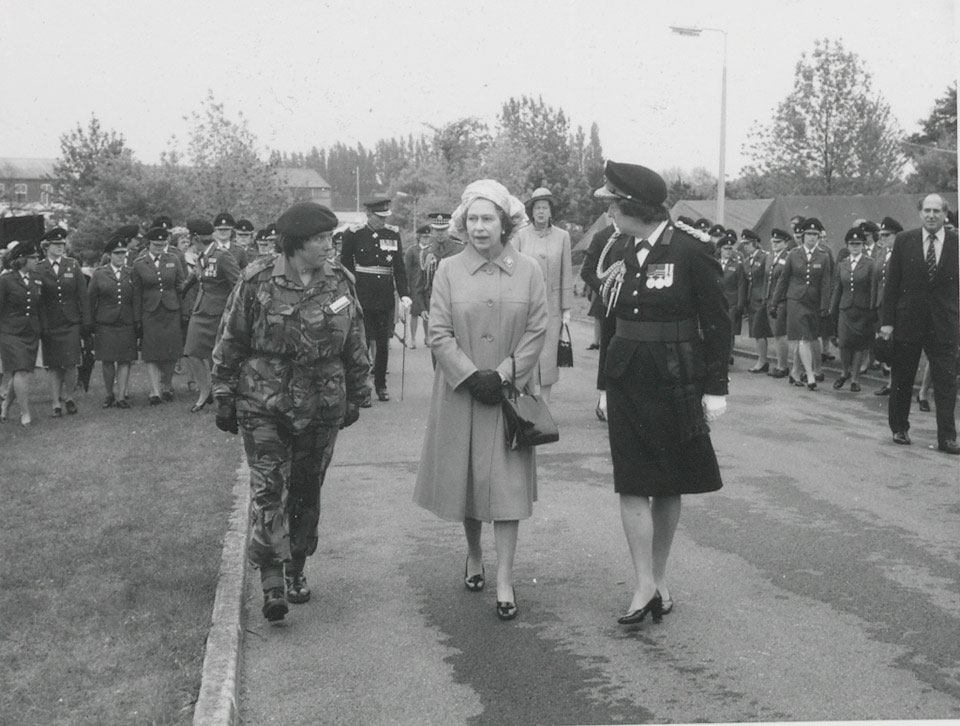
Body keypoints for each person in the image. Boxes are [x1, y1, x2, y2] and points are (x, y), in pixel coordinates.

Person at [211, 201, 370, 622]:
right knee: (268, 490)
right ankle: (271, 581)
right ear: (296, 244)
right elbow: (231, 338)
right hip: (264, 401)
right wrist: (224, 393)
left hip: (322, 400)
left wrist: (358, 392)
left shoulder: (340, 280)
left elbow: (355, 337)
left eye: (330, 238)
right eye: (320, 240)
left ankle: (297, 567)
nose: (328, 246)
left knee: (305, 489)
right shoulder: (257, 279)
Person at [590, 161, 728, 625]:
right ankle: (643, 584)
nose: (609, 211)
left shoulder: (691, 250)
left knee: (669, 483)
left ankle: (660, 577)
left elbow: (719, 323)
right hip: (627, 377)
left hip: (676, 379)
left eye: (613, 202)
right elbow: (609, 322)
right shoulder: (617, 250)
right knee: (631, 480)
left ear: (634, 206)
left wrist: (716, 389)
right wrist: (604, 385)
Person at [414, 179, 547, 621]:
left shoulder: (529, 269)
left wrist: (506, 373)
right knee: (467, 482)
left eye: (488, 218)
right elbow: (438, 332)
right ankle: (474, 554)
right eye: (472, 218)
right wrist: (471, 376)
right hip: (462, 395)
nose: (479, 227)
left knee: (506, 488)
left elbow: (537, 328)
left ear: (506, 223)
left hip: (509, 396)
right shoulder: (449, 270)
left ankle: (506, 579)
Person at [880, 194, 959, 454]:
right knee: (902, 378)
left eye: (937, 211)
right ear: (920, 213)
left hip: (944, 325)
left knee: (946, 385)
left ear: (945, 214)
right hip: (908, 323)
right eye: (927, 210)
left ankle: (947, 438)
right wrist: (887, 323)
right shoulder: (905, 241)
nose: (932, 215)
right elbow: (891, 285)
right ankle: (899, 428)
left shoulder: (957, 243)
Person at [339, 197, 412, 403]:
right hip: (362, 293)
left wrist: (405, 294)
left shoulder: (392, 234)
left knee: (382, 343)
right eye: (379, 217)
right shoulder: (354, 234)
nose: (383, 221)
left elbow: (398, 267)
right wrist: (351, 292)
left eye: (385, 217)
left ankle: (381, 384)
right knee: (361, 342)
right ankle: (362, 387)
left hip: (384, 295)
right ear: (369, 215)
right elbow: (346, 265)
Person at [515, 187, 573, 403]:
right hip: (525, 306)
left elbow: (567, 272)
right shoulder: (520, 236)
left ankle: (545, 407)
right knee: (526, 354)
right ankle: (527, 404)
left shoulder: (563, 237)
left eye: (545, 208)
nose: (541, 212)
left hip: (552, 306)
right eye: (537, 208)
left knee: (548, 358)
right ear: (531, 211)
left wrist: (566, 307)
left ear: (551, 211)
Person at [183, 216, 241, 412]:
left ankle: (221, 394)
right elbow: (195, 279)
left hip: (218, 313)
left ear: (196, 237)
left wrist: (233, 311)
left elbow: (238, 284)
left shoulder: (223, 256)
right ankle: (204, 391)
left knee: (220, 357)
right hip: (200, 311)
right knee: (191, 351)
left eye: (191, 238)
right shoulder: (201, 255)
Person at [770, 218, 833, 390]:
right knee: (804, 338)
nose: (812, 238)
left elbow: (826, 283)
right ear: (803, 236)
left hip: (813, 302)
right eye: (809, 234)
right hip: (795, 301)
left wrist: (825, 306)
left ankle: (796, 372)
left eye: (815, 235)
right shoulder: (793, 254)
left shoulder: (824, 257)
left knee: (807, 338)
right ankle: (810, 376)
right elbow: (782, 281)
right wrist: (774, 303)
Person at [37, 226, 91, 417]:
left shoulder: (72, 265)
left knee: (70, 362)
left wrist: (86, 320)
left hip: (71, 321)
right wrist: (42, 324)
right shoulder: (39, 267)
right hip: (51, 322)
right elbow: (39, 300)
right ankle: (55, 403)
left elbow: (82, 295)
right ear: (46, 246)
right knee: (53, 364)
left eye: (62, 244)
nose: (60, 247)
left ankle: (69, 398)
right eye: (56, 244)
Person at [132, 226, 185, 405]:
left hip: (171, 310)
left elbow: (180, 287)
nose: (160, 248)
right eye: (156, 244)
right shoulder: (139, 263)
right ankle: (154, 391)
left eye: (163, 244)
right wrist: (137, 318)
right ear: (149, 244)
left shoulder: (173, 259)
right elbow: (136, 293)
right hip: (150, 312)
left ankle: (167, 385)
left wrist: (184, 311)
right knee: (151, 352)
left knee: (171, 351)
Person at [580, 223, 626, 421]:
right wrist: (606, 288)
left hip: (632, 302)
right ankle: (604, 395)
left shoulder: (635, 233)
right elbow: (587, 271)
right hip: (609, 304)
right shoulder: (602, 236)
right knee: (607, 349)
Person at [88, 233, 137, 408]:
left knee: (125, 360)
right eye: (117, 253)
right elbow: (90, 300)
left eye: (123, 253)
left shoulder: (131, 273)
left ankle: (121, 396)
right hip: (105, 323)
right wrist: (90, 323)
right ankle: (109, 393)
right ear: (109, 254)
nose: (120, 257)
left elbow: (136, 299)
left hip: (126, 322)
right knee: (107, 361)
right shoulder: (100, 274)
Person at [0, 239, 43, 425]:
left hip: (30, 332)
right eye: (33, 258)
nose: (36, 261)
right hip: (10, 332)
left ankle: (5, 407)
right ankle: (25, 413)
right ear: (22, 259)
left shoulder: (36, 278)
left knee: (21, 371)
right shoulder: (6, 280)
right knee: (21, 370)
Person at [829, 227, 875, 392]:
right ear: (847, 246)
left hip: (863, 310)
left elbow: (872, 289)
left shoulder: (870, 263)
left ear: (863, 245)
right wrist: (832, 309)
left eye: (858, 244)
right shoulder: (842, 264)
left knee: (859, 345)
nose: (855, 247)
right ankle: (844, 372)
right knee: (844, 344)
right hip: (845, 309)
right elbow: (837, 288)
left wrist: (873, 310)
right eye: (851, 244)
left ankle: (855, 379)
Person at [870, 217, 902, 396]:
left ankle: (895, 384)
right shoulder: (882, 253)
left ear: (897, 235)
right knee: (886, 346)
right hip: (882, 306)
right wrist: (874, 304)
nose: (882, 239)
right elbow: (876, 280)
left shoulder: (902, 254)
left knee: (896, 345)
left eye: (886, 235)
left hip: (897, 307)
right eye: (880, 235)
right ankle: (890, 383)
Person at [763, 229, 793, 378]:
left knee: (780, 334)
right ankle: (780, 363)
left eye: (778, 242)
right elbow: (766, 279)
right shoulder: (770, 257)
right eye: (773, 242)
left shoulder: (788, 257)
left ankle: (783, 366)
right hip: (770, 299)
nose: (774, 244)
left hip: (781, 300)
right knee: (776, 334)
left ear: (786, 243)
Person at [741, 231, 771, 372]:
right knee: (755, 331)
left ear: (755, 243)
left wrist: (766, 297)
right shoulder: (747, 261)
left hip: (761, 299)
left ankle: (762, 360)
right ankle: (762, 359)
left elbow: (767, 279)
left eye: (747, 244)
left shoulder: (765, 257)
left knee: (759, 331)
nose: (745, 247)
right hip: (751, 299)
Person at [718, 232, 746, 364]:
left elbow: (741, 285)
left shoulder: (737, 265)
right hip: (717, 302)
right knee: (718, 330)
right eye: (726, 249)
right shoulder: (714, 263)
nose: (728, 251)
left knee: (730, 331)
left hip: (732, 302)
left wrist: (740, 304)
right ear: (720, 250)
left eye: (730, 249)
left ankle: (727, 357)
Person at [404, 225, 432, 348]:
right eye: (424, 237)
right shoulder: (412, 250)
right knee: (414, 313)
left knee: (427, 313)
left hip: (428, 286)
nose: (427, 239)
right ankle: (413, 339)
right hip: (415, 286)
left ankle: (427, 338)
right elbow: (407, 270)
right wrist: (407, 288)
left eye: (428, 237)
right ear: (419, 237)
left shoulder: (432, 250)